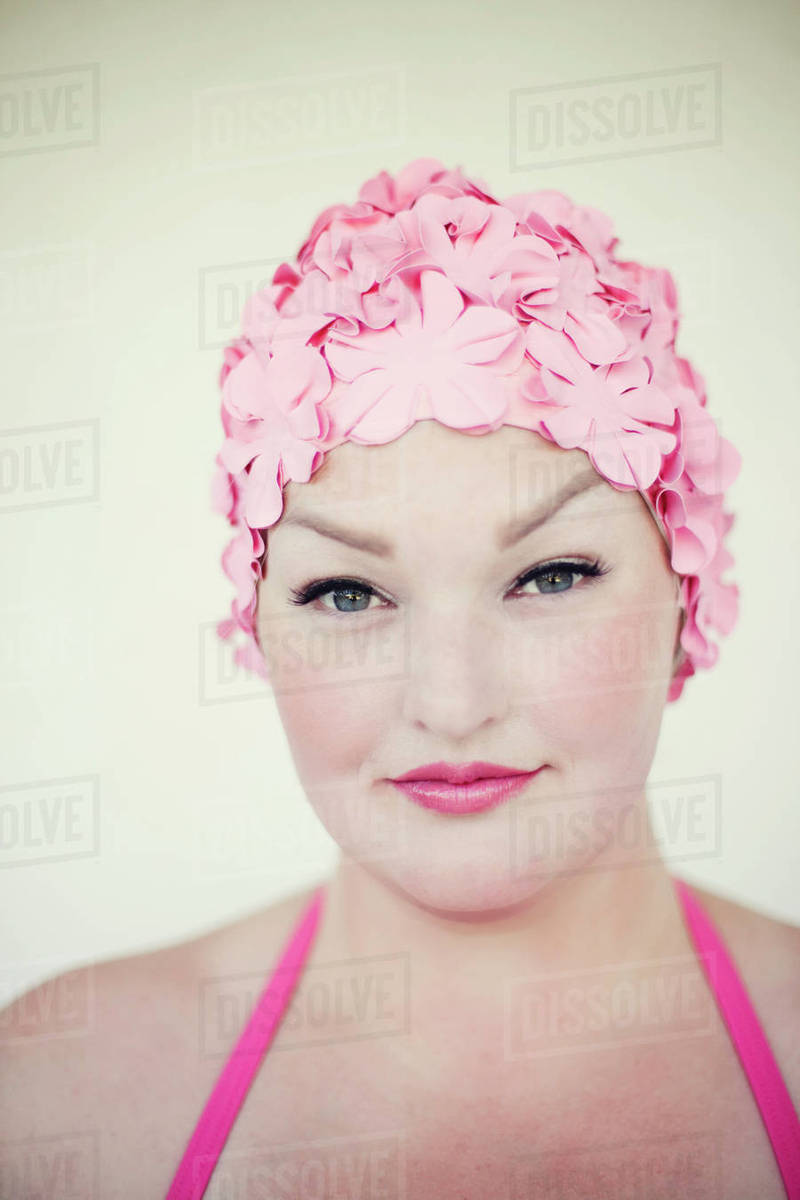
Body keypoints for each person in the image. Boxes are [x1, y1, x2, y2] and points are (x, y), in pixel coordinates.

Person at [2, 158, 798, 1200]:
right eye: (346, 594)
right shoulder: (61, 1093)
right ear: (256, 623)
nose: (451, 705)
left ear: (685, 594)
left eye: (550, 574)